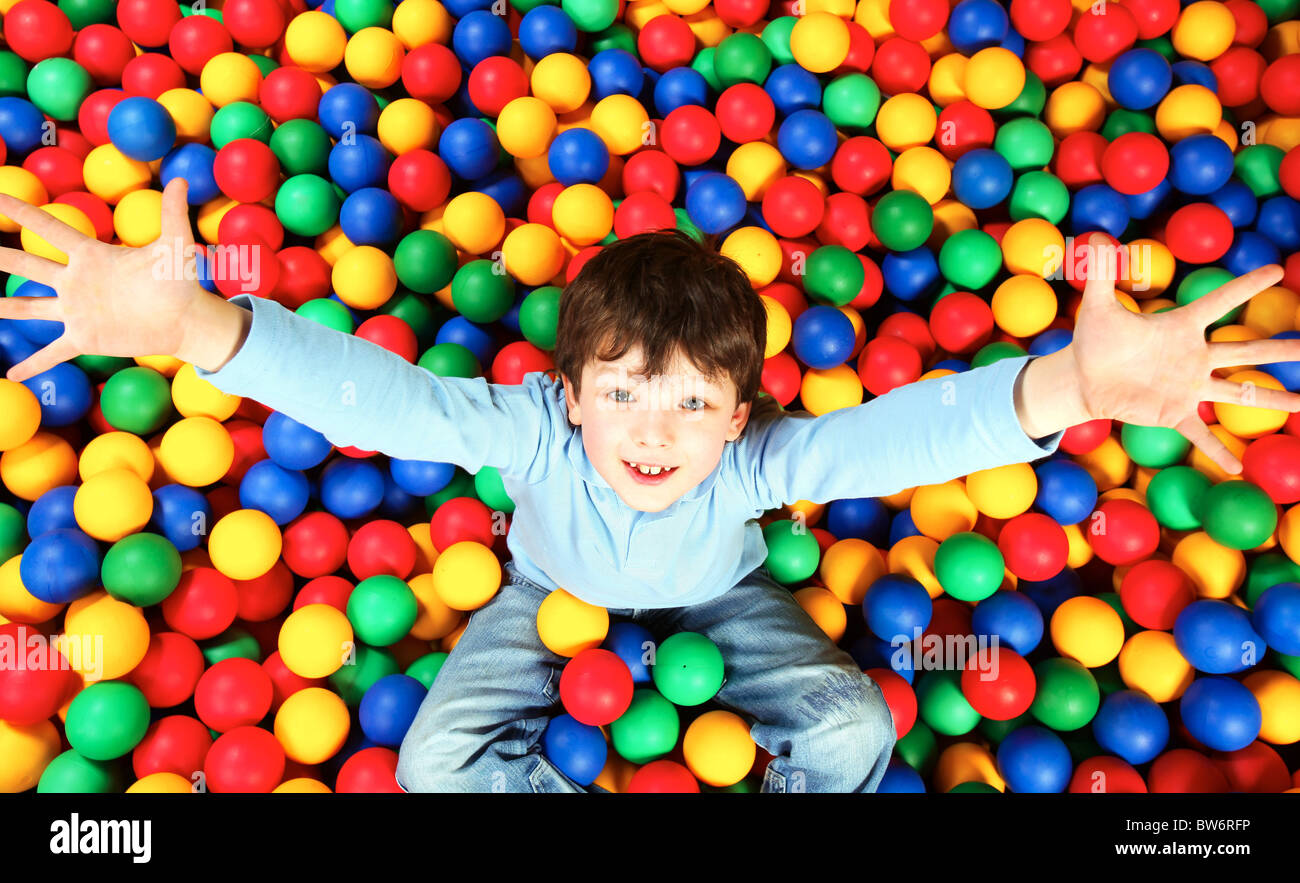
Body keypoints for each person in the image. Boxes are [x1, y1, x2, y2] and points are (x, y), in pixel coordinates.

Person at [1, 178, 1296, 792]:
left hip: (726, 599)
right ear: (570, 395)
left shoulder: (756, 465)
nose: (656, 428)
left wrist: (1069, 389)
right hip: (545, 591)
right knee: (436, 767)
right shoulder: (527, 435)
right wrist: (202, 333)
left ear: (741, 412)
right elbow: (381, 400)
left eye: (692, 401)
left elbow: (905, 437)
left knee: (856, 729)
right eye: (623, 391)